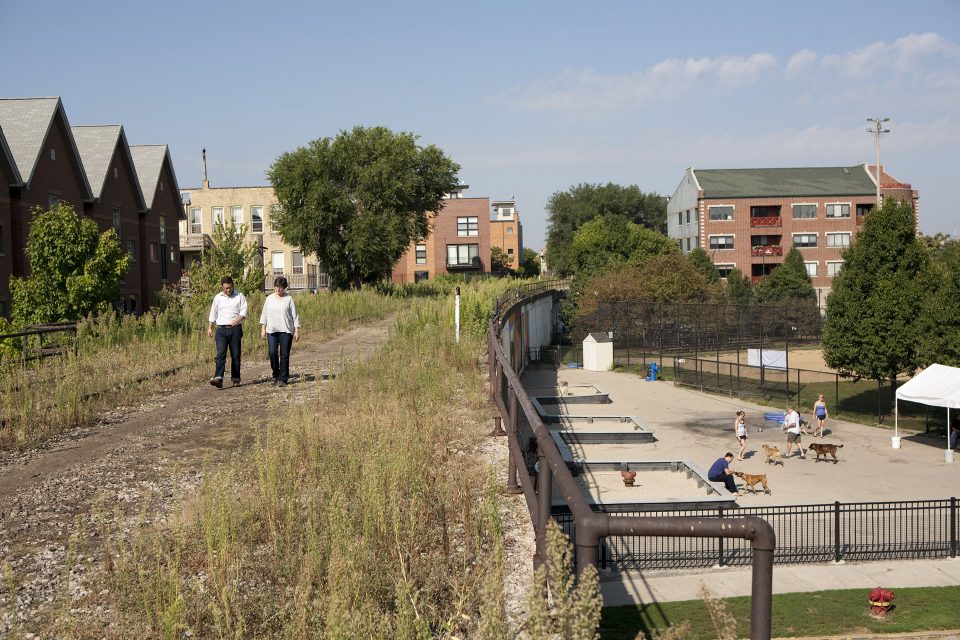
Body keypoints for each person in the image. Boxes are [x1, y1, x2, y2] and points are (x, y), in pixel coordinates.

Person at [259, 276, 301, 387]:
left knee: (284, 355)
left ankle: (283, 378)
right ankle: (276, 374)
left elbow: (295, 315)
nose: (278, 289)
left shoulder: (289, 299)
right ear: (274, 287)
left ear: (285, 287)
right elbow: (264, 314)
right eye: (277, 286)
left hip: (286, 330)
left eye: (281, 287)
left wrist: (297, 330)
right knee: (272, 353)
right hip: (272, 330)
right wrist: (263, 328)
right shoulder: (269, 299)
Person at [207, 276, 248, 389]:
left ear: (233, 285)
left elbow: (244, 311)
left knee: (235, 354)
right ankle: (218, 378)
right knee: (221, 354)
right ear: (222, 287)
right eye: (226, 288)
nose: (228, 290)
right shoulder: (218, 298)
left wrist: (238, 319)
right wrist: (210, 327)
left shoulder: (239, 296)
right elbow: (213, 313)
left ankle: (236, 379)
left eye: (230, 287)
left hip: (235, 329)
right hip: (221, 329)